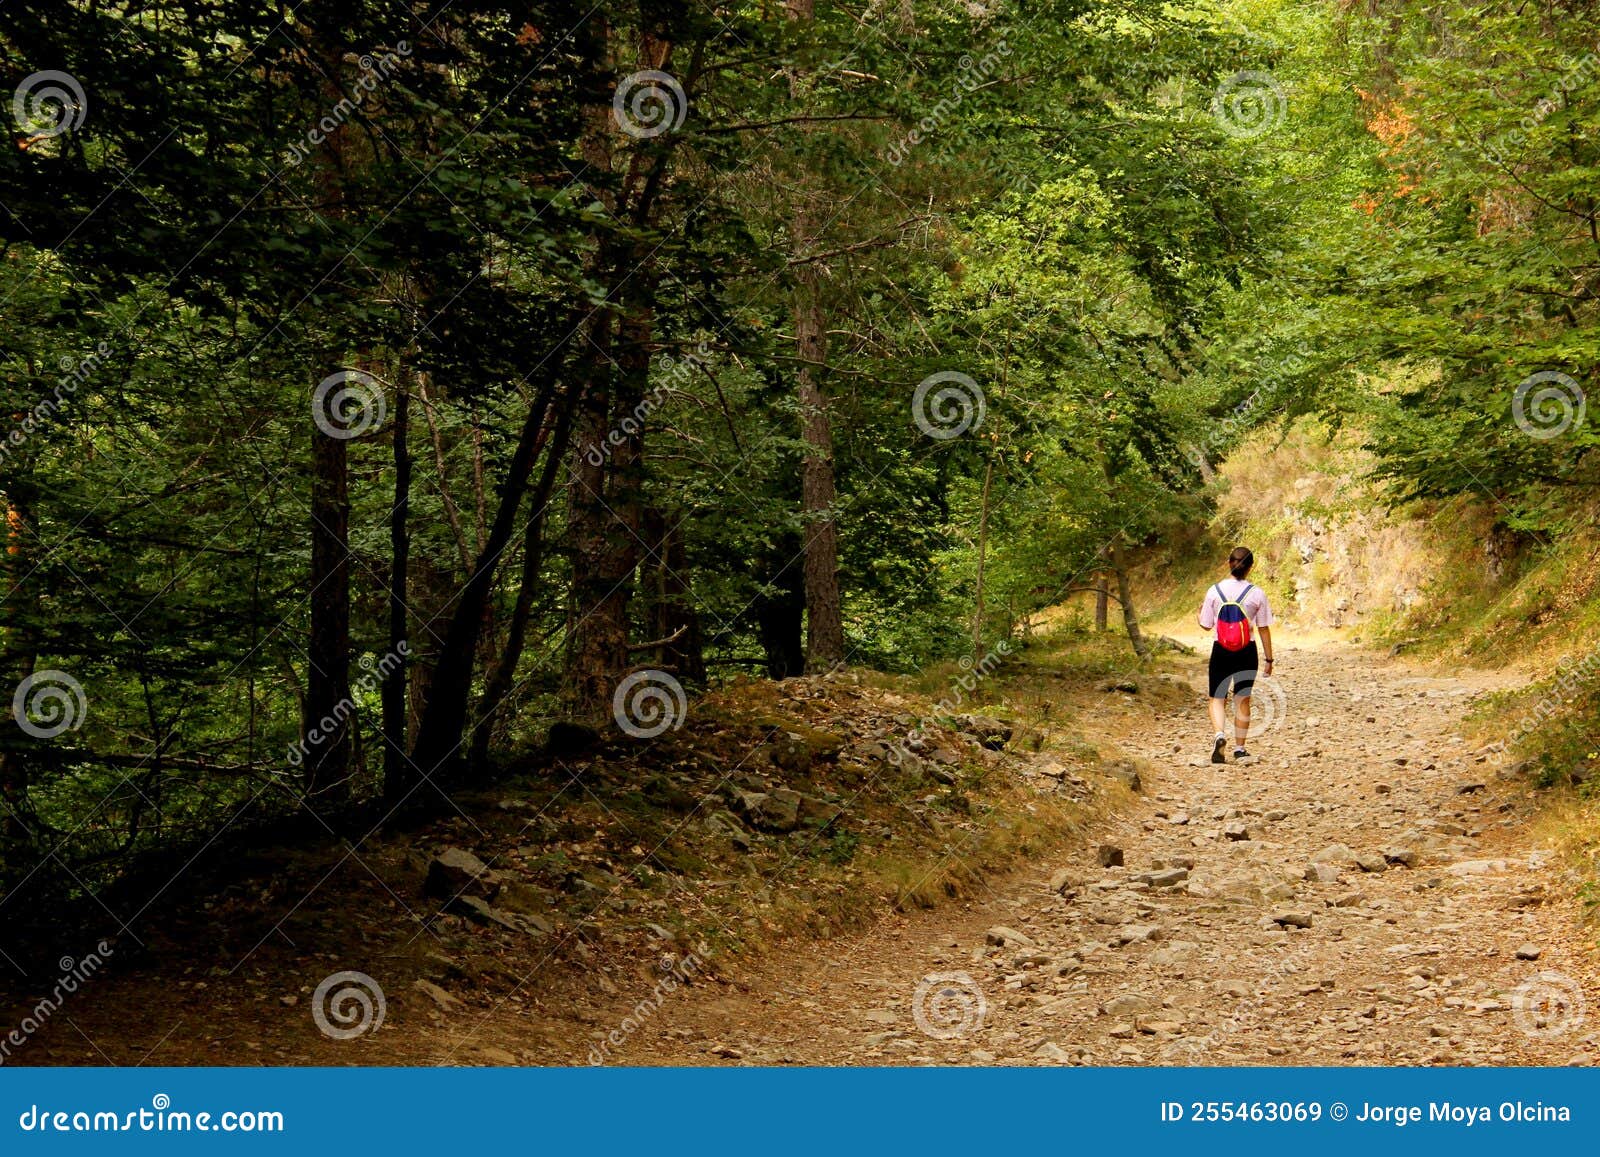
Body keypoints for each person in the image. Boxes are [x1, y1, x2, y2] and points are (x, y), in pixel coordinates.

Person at [1196, 546, 1275, 763]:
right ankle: (1240, 749)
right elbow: (1264, 628)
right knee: (1242, 700)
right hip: (1246, 650)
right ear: (1250, 567)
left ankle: (1219, 735)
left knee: (1216, 698)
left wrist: (1197, 615)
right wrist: (1269, 659)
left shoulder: (1214, 591)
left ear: (1228, 563)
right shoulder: (1257, 593)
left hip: (1220, 650)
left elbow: (1205, 625)